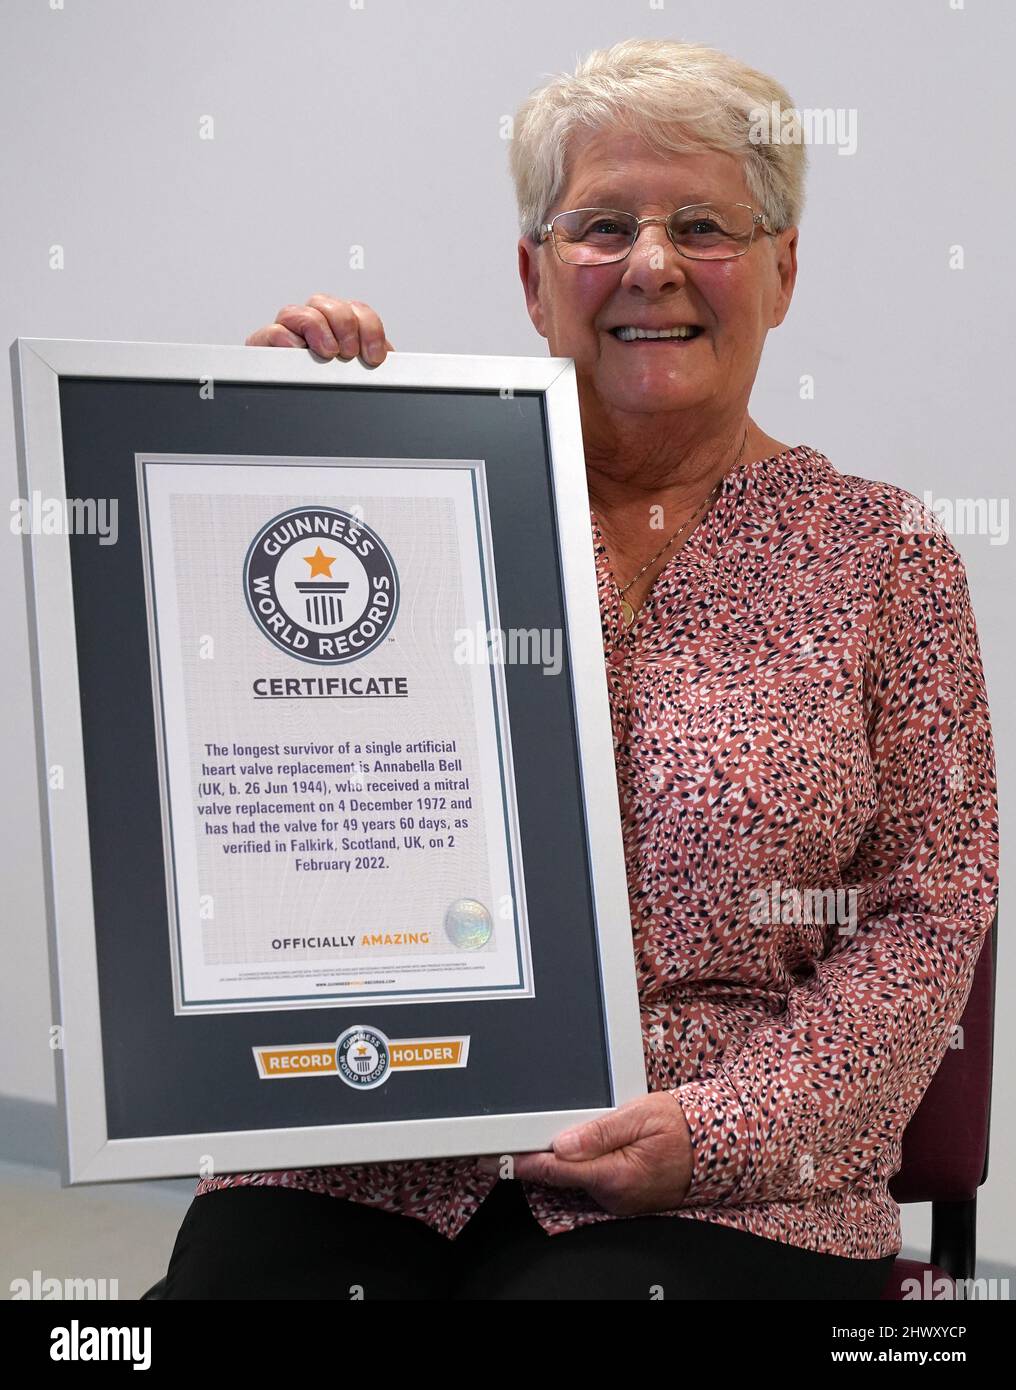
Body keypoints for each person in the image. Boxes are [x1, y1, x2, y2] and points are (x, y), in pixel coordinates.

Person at [161, 37, 999, 1300]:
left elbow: (926, 914)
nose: (650, 265)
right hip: (366, 1136)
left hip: (723, 1181)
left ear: (780, 269)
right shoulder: (404, 498)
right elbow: (227, 763)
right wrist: (261, 454)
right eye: (600, 223)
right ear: (532, 272)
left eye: (704, 223)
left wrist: (716, 1133)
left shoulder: (885, 558)